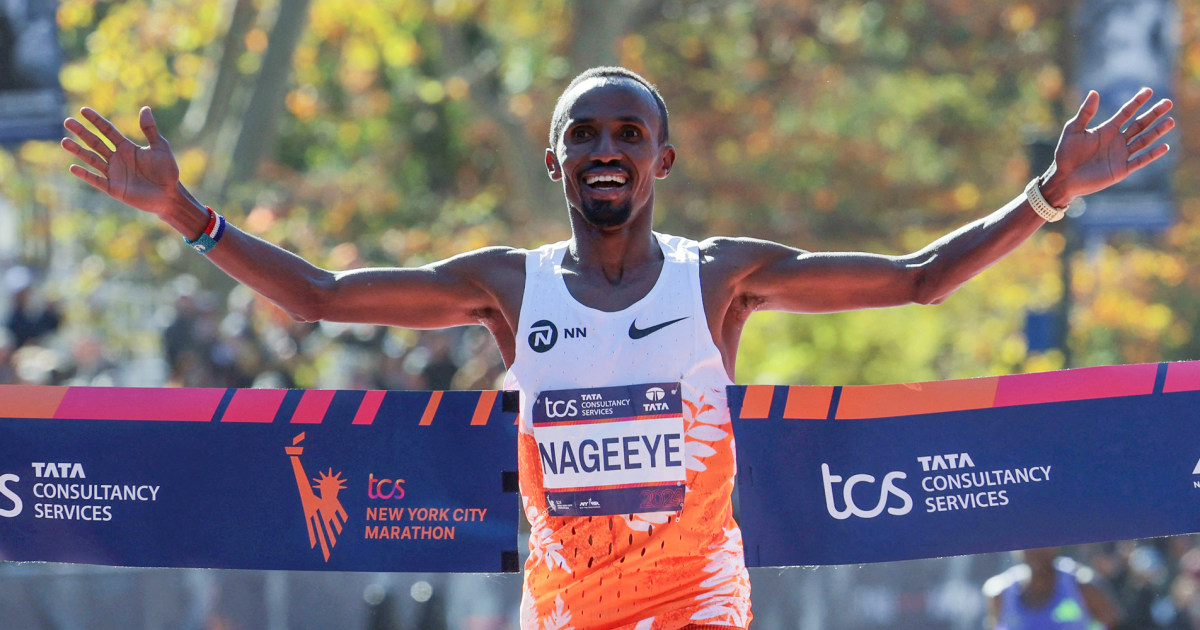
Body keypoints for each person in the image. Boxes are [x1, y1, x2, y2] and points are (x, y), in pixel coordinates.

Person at [61, 66, 1173, 630]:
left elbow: (919, 280)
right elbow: (317, 297)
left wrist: (1048, 196)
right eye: (584, 135)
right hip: (565, 602)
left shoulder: (719, 275)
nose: (607, 149)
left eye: (628, 135)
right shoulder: (508, 287)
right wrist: (187, 217)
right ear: (555, 165)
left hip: (697, 597)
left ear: (662, 162)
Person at [983, 547, 1122, 629]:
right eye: (1026, 541)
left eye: (1042, 540)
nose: (1035, 549)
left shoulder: (1084, 587)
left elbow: (1114, 623)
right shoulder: (998, 594)